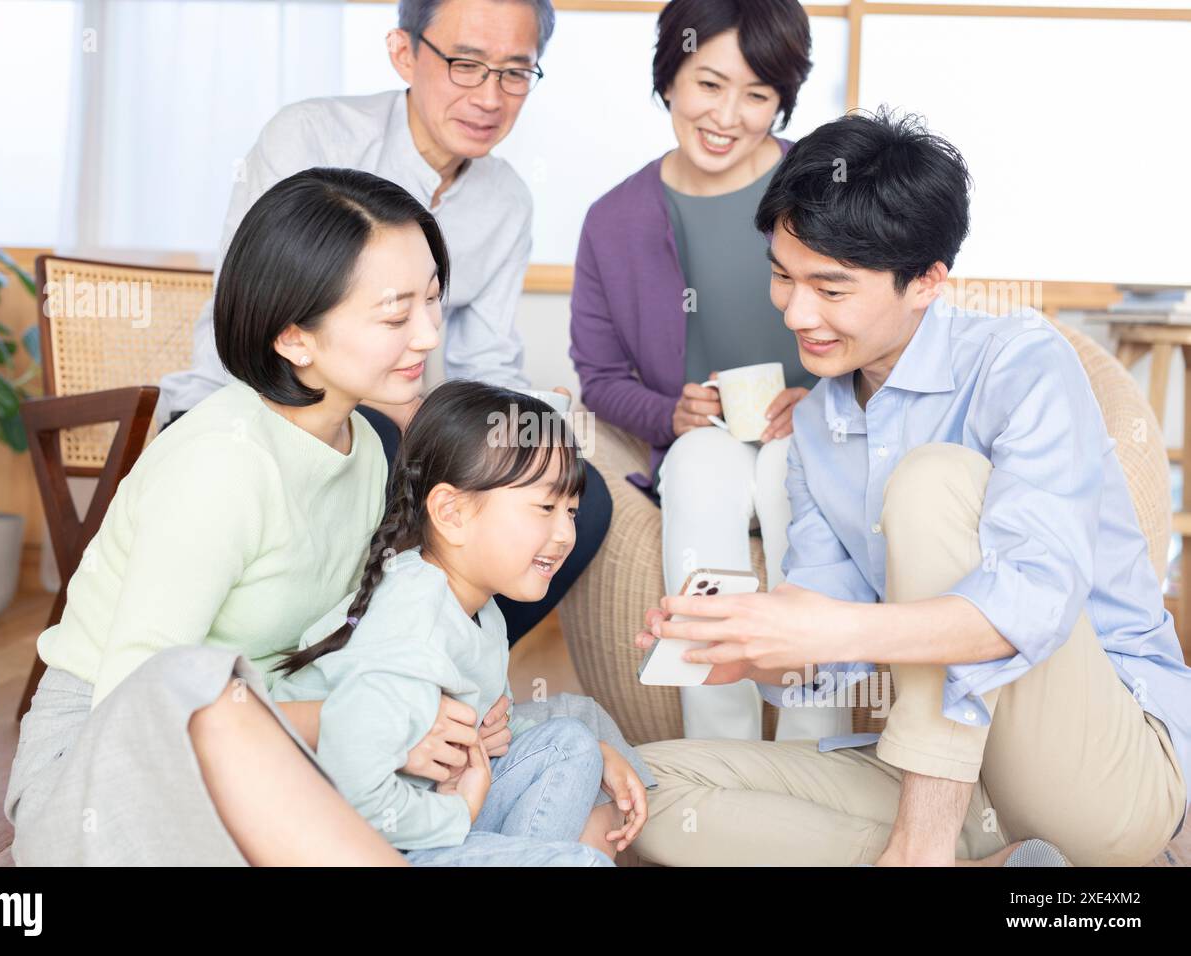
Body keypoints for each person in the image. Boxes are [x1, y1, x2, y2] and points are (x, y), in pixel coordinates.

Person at [631, 110, 1191, 867]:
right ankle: (990, 867)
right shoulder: (821, 424)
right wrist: (749, 648)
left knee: (931, 482)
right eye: (783, 276)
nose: (798, 314)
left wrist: (830, 631)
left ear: (928, 280)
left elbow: (1032, 606)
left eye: (831, 288)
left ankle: (924, 849)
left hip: (1100, 776)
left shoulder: (1021, 362)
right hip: (950, 784)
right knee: (645, 789)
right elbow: (834, 651)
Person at [3, 167, 507, 865]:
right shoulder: (221, 461)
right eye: (395, 315)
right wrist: (361, 726)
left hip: (281, 734)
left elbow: (350, 641)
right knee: (196, 681)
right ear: (295, 339)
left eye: (432, 301)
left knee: (545, 763)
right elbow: (140, 701)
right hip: (108, 762)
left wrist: (442, 707)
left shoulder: (363, 449)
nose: (426, 335)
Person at [159, 0, 612, 646]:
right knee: (392, 447)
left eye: (516, 73)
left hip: (391, 422)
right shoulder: (313, 138)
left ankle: (437, 670)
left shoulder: (506, 198)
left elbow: (486, 367)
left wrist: (535, 425)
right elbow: (264, 321)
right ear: (404, 51)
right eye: (466, 64)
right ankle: (372, 680)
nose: (491, 96)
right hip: (261, 407)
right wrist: (403, 406)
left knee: (572, 490)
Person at [569, 0, 849, 741]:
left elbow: (886, 326)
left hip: (816, 433)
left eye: (758, 95)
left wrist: (819, 396)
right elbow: (597, 377)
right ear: (670, 80)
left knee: (793, 468)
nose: (728, 115)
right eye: (708, 84)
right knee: (696, 469)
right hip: (705, 440)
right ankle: (718, 750)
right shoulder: (614, 219)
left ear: (781, 101)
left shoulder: (825, 190)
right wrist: (672, 413)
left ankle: (814, 749)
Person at [272, 380, 655, 865]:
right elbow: (358, 791)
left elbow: (483, 725)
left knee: (573, 743)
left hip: (422, 808)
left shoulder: (479, 611)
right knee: (582, 861)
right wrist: (457, 813)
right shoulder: (414, 620)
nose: (565, 534)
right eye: (544, 508)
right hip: (353, 841)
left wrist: (498, 737)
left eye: (571, 511)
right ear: (452, 513)